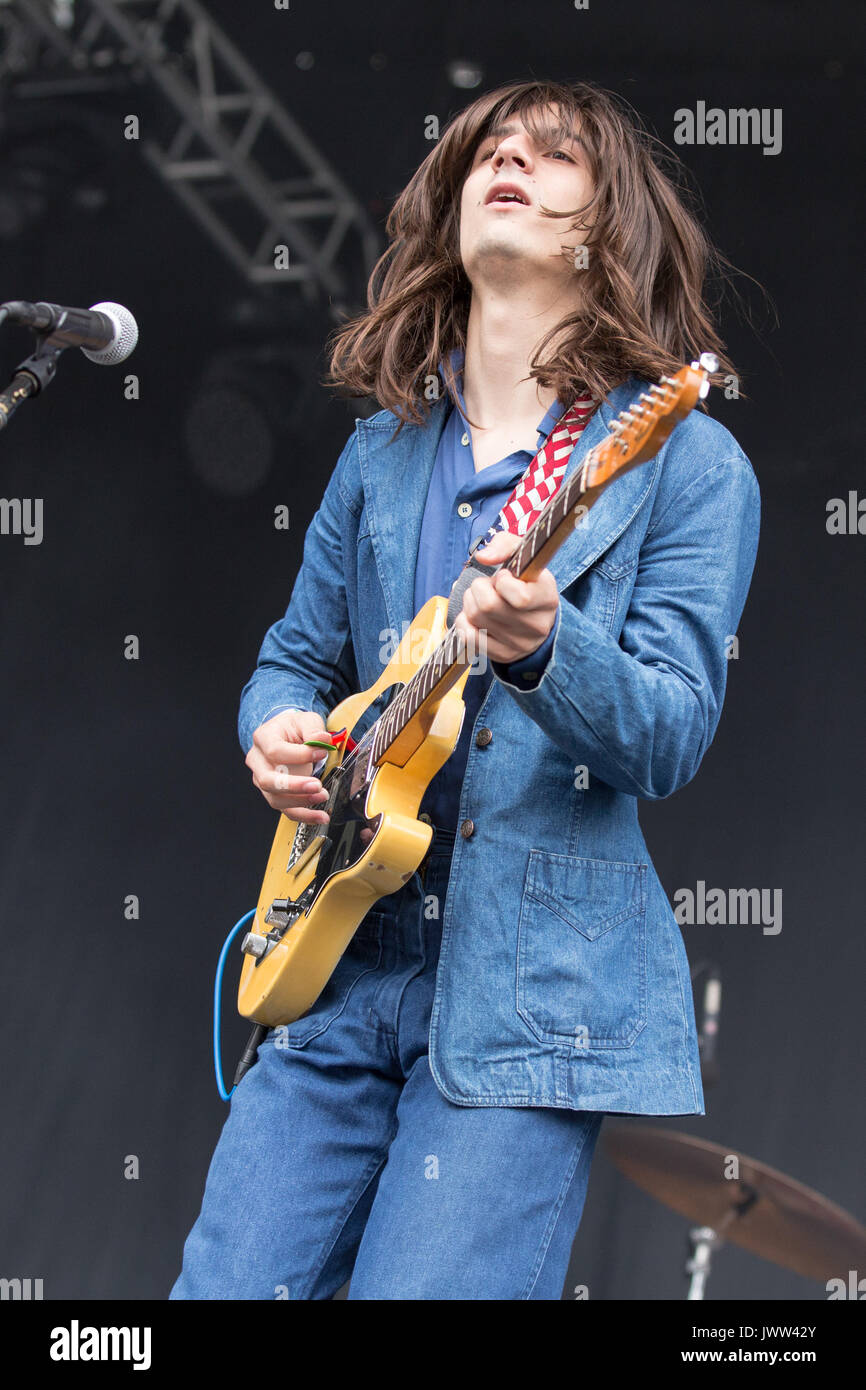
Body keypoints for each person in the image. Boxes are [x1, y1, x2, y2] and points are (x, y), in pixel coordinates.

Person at [170, 79, 760, 1301]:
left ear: (609, 229)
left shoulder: (683, 459)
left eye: (553, 157)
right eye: (491, 148)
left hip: (527, 999)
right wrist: (270, 727)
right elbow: (294, 654)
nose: (510, 161)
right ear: (449, 210)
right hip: (337, 967)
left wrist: (547, 648)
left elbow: (668, 731)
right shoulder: (381, 452)